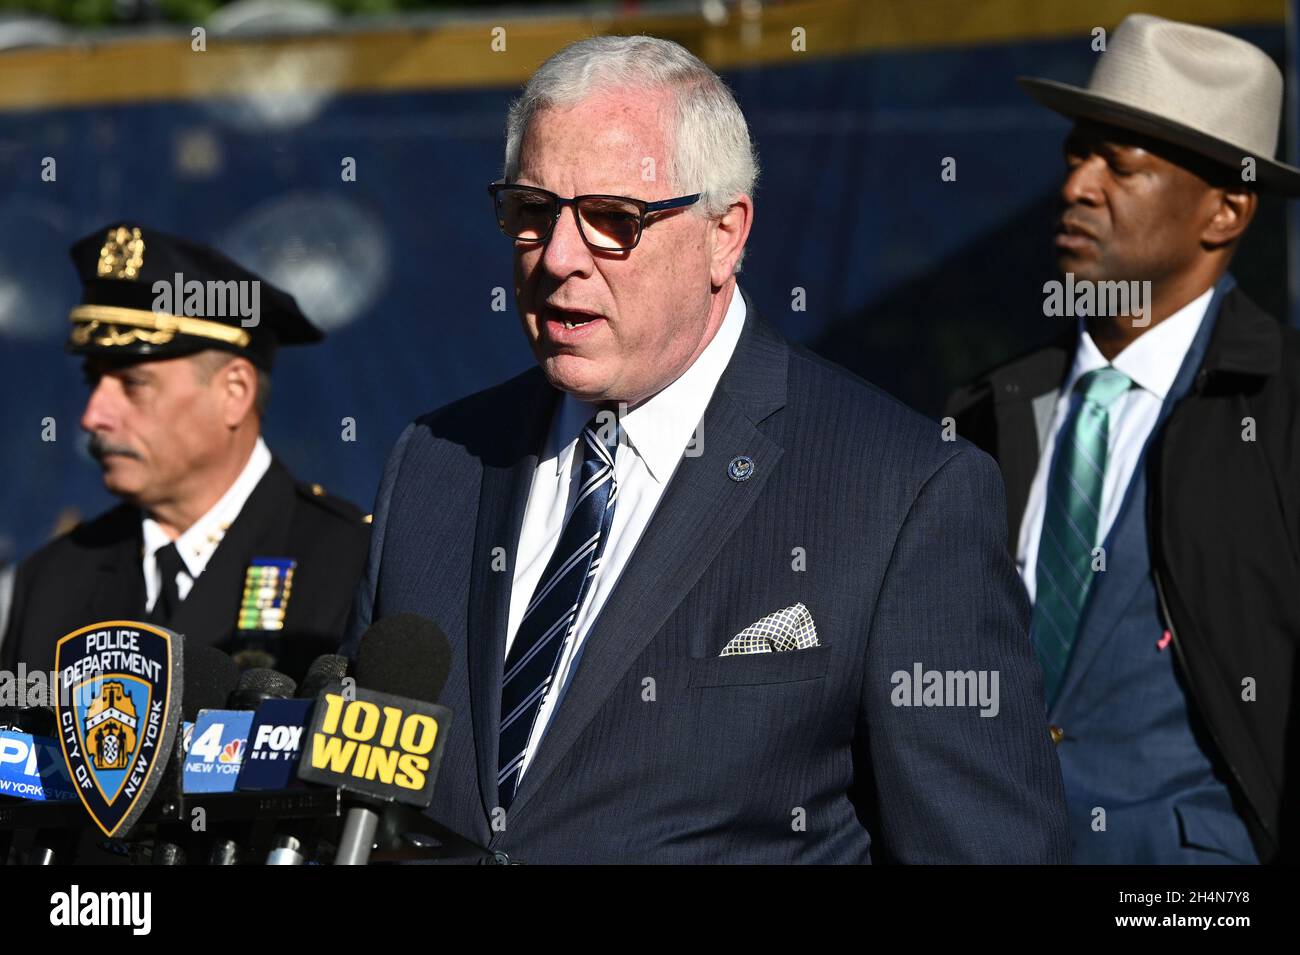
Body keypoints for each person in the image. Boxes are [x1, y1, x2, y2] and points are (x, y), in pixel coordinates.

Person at [347, 35, 1068, 863]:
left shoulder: (900, 493)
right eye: (531, 212)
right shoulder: (436, 463)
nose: (558, 258)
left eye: (613, 221)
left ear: (725, 235)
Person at [947, 14, 1300, 863]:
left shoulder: (1282, 415)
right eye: (1077, 153)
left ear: (1225, 211)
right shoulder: (990, 409)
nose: (1078, 185)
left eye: (1124, 165)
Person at [2, 224, 369, 683]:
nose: (92, 416)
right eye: (91, 381)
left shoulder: (350, 563)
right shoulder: (53, 580)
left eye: (134, 384)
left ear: (234, 392)